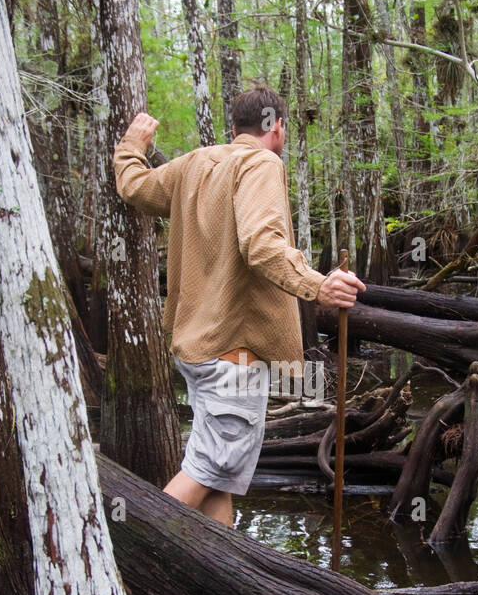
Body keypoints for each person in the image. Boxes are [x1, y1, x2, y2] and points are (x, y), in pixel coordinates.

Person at [114, 84, 365, 526]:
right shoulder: (262, 163)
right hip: (232, 359)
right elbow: (262, 246)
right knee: (205, 473)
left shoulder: (193, 164)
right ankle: (123, 557)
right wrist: (318, 285)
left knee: (219, 480)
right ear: (278, 128)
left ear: (234, 129)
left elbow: (136, 188)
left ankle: (219, 583)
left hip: (197, 351)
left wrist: (133, 147)